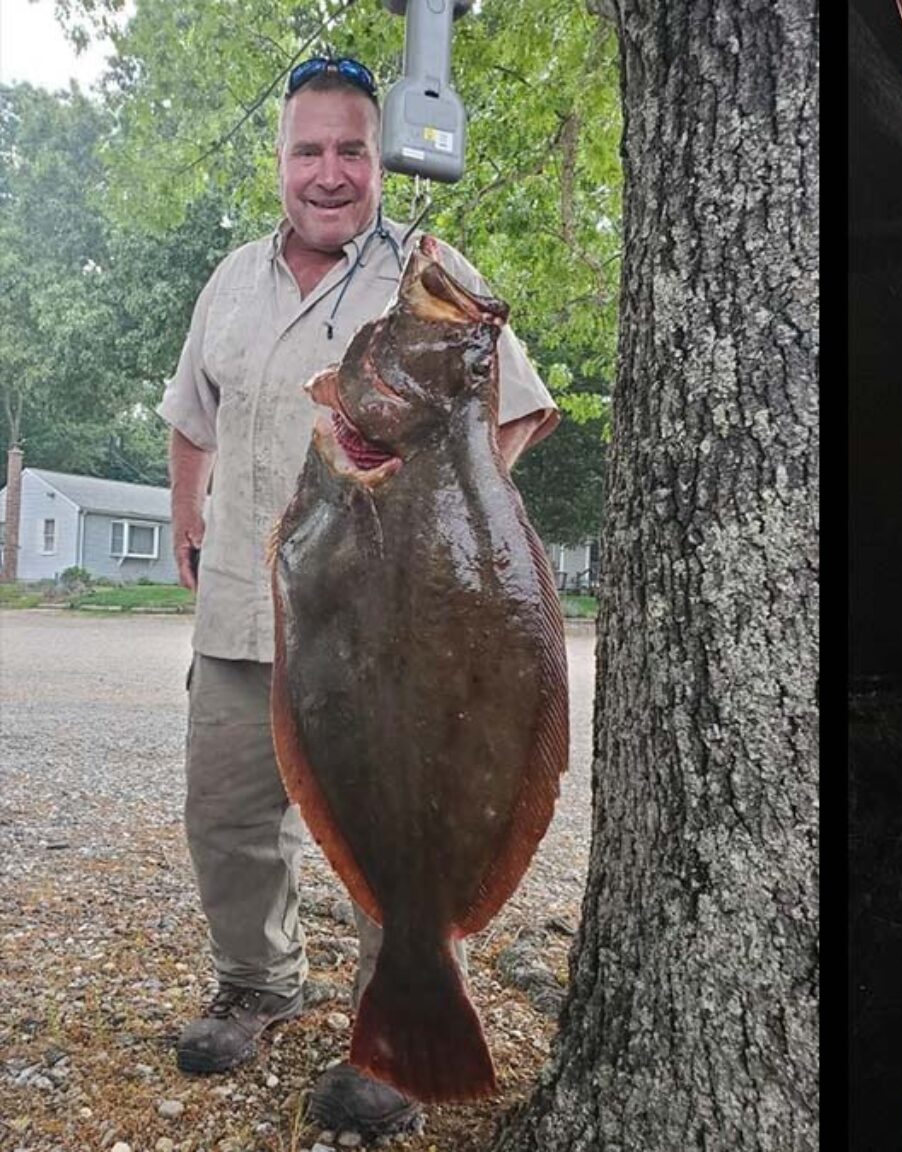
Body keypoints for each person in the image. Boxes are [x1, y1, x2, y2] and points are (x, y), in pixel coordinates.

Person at [154, 56, 559, 1134]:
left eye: (350, 151)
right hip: (245, 602)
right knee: (229, 814)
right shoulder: (230, 281)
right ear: (280, 163)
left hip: (395, 630)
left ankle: (400, 1027)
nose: (329, 173)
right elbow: (189, 412)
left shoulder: (429, 272)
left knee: (403, 816)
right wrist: (186, 511)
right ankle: (257, 984)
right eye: (308, 151)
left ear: (377, 160)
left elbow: (513, 410)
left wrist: (439, 535)